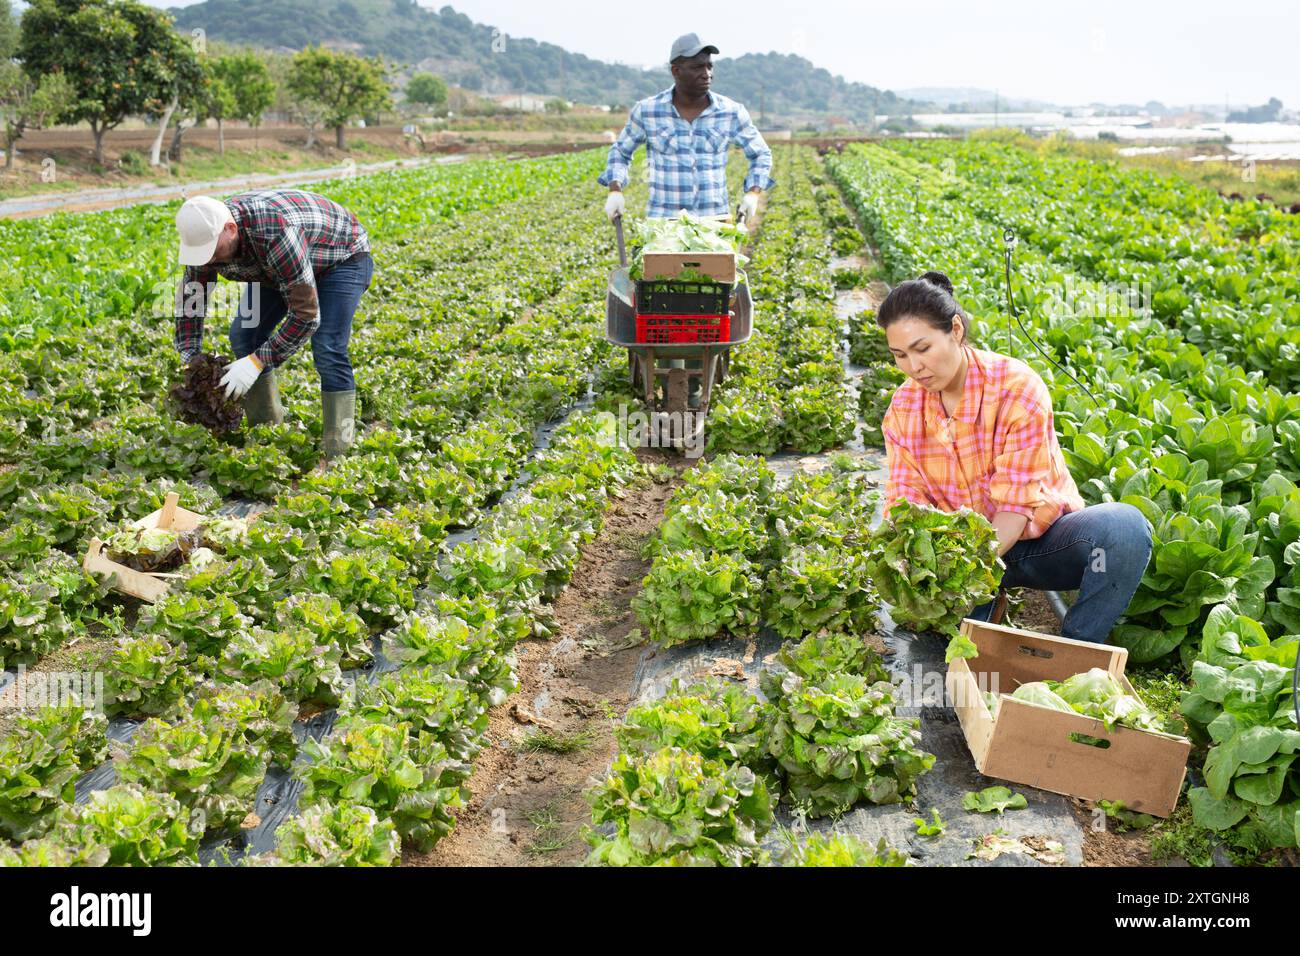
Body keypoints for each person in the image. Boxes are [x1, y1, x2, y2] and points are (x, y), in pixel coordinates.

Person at [878, 271, 1152, 644]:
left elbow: (1015, 508)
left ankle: (1078, 646)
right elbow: (903, 504)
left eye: (922, 349)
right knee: (961, 654)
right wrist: (929, 566)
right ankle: (986, 607)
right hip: (962, 560)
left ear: (955, 330)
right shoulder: (903, 409)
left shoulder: (1016, 388)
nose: (914, 367)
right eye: (900, 355)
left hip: (1039, 545)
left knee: (1123, 530)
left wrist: (970, 566)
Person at [172, 190, 373, 458]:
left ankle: (340, 449)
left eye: (212, 251)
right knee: (245, 334)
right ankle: (267, 434)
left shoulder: (274, 232)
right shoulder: (206, 240)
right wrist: (190, 357)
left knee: (328, 347)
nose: (207, 260)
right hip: (276, 270)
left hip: (340, 260)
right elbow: (192, 300)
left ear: (230, 229)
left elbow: (306, 315)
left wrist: (256, 362)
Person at [599, 32, 774, 222]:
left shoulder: (730, 112)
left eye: (709, 66)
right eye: (697, 67)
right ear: (676, 71)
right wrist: (615, 190)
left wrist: (753, 193)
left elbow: (761, 154)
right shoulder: (647, 111)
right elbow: (620, 153)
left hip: (714, 223)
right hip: (664, 224)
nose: (707, 74)